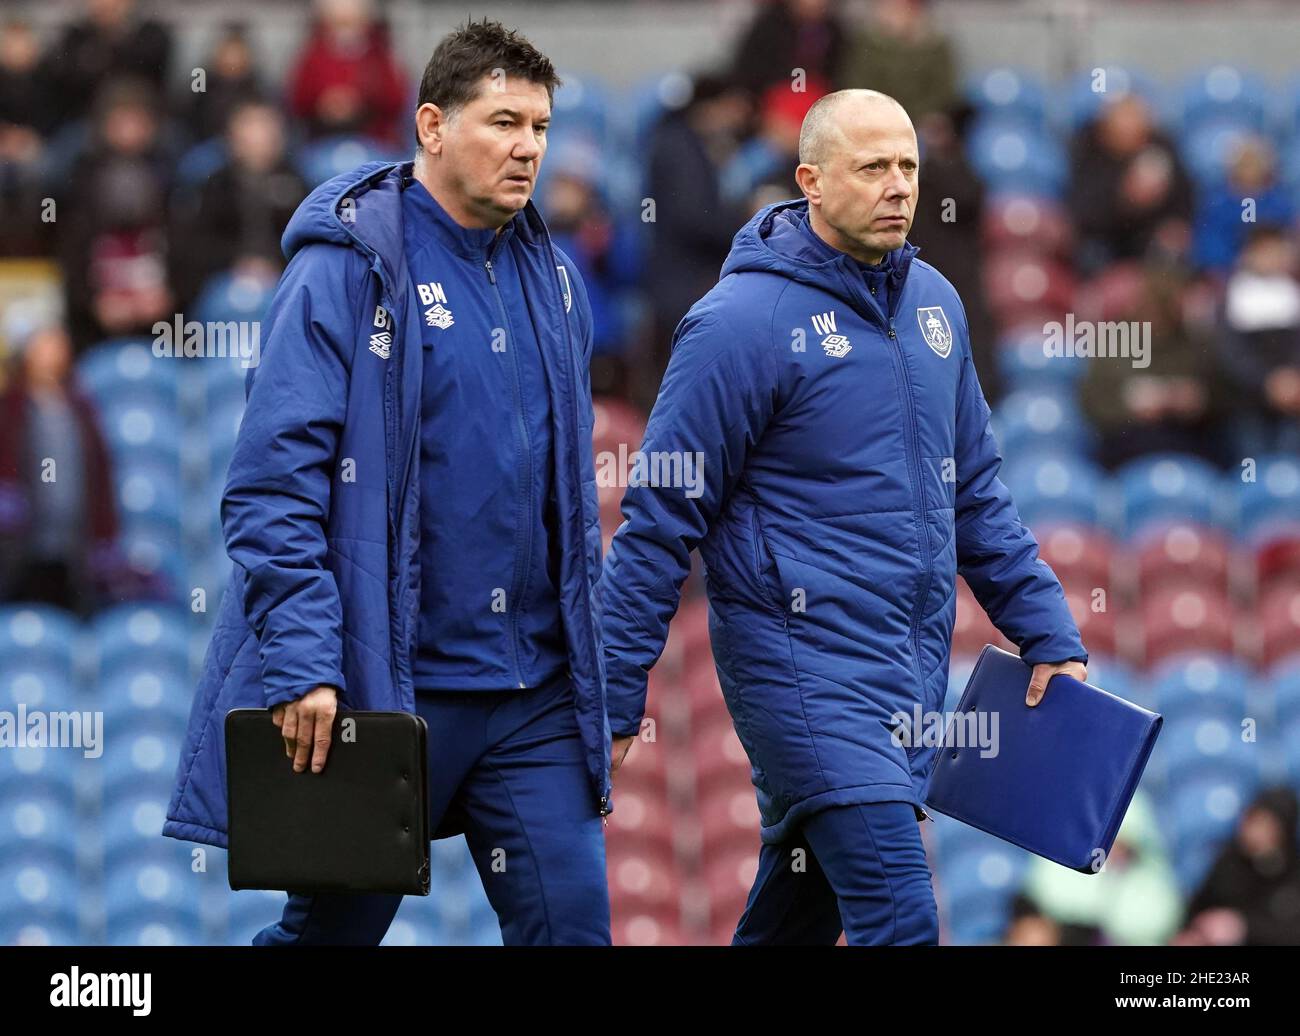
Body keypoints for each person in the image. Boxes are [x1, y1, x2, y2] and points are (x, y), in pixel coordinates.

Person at [598, 90, 1088, 945]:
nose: (898, 185)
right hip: (800, 672)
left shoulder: (936, 305)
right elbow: (658, 519)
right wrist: (611, 700)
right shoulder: (738, 324)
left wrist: (1048, 631)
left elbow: (974, 490)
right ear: (811, 182)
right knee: (900, 915)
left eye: (907, 166)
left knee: (797, 916)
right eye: (872, 167)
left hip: (908, 676)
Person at [164, 19, 612, 946]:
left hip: (531, 698)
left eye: (539, 125)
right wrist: (304, 663)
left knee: (575, 933)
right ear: (432, 125)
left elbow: (569, 506)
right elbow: (270, 486)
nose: (527, 146)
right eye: (502, 122)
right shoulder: (343, 269)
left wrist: (599, 676)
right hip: (383, 684)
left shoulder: (558, 283)